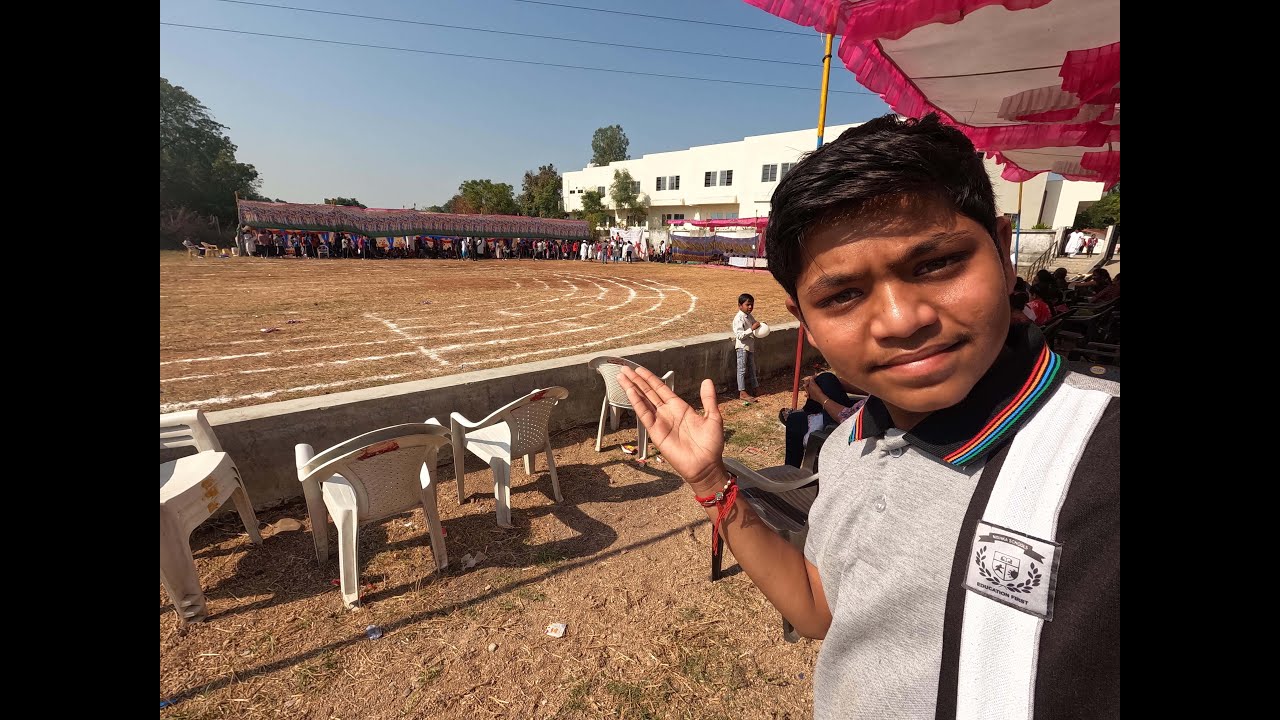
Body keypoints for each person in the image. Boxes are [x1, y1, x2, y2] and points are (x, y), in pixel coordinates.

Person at [618, 113, 1119, 720]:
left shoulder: (1102, 455)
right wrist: (709, 483)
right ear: (803, 318)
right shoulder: (850, 442)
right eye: (843, 296)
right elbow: (816, 607)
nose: (901, 320)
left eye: (935, 264)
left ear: (1004, 251)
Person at [779, 373, 866, 468]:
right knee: (825, 378)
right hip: (858, 409)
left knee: (796, 420)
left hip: (850, 428)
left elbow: (847, 417)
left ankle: (807, 412)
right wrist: (824, 383)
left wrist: (819, 396)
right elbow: (868, 390)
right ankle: (790, 471)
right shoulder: (881, 389)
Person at [731, 293, 761, 402]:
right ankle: (742, 392)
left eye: (752, 305)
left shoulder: (749, 316)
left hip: (750, 346)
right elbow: (739, 335)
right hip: (742, 347)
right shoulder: (739, 318)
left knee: (752, 368)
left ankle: (755, 388)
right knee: (742, 369)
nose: (750, 307)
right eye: (747, 304)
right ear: (740, 306)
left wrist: (761, 325)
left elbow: (755, 324)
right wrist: (752, 328)